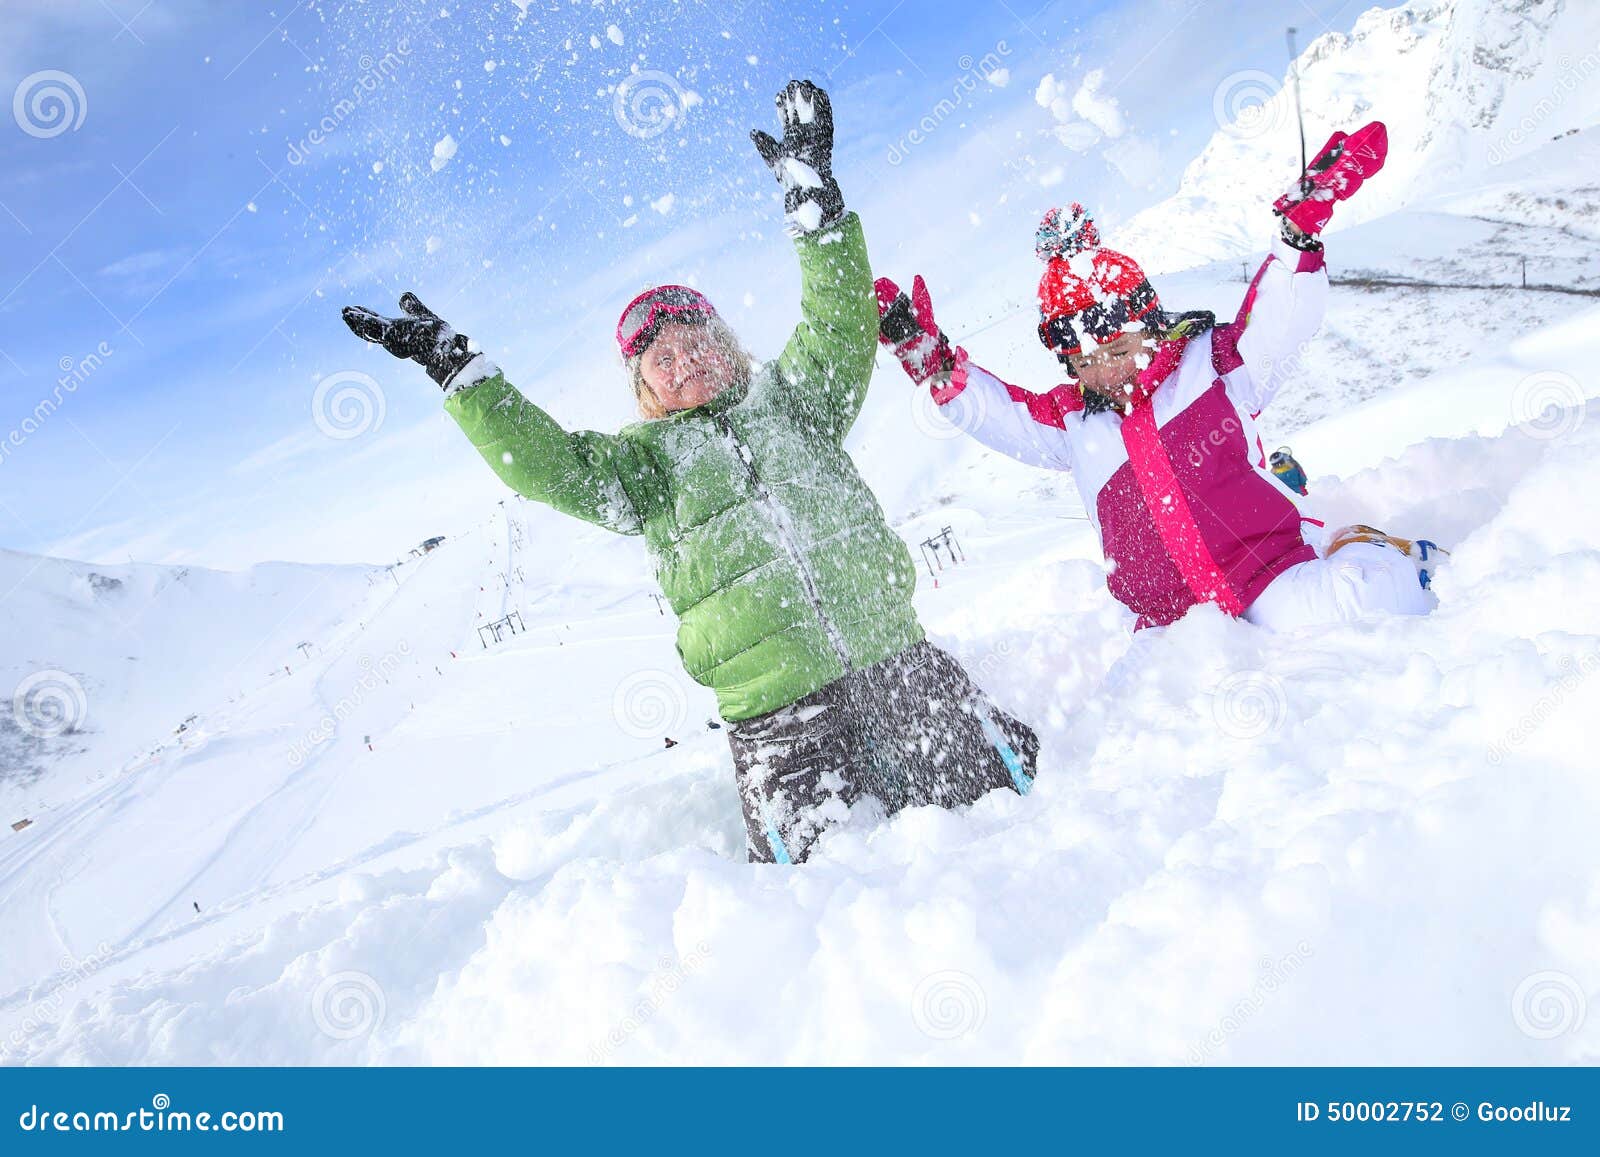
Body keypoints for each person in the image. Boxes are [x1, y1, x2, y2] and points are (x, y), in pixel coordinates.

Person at [342, 80, 1038, 864]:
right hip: (778, 715)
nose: (683, 363)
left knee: (1003, 816)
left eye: (696, 340)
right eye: (659, 360)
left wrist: (818, 216)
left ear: (728, 342)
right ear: (643, 390)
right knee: (830, 890)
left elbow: (840, 327)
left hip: (894, 661)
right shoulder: (642, 467)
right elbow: (551, 466)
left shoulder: (794, 397)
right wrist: (464, 379)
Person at [876, 123, 1439, 633]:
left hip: (1266, 577)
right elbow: (1004, 416)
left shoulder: (1212, 366)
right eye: (1084, 361)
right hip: (1172, 629)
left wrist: (1296, 237)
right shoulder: (1073, 423)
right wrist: (934, 363)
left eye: (1118, 349)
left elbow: (1278, 326)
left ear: (1150, 325)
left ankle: (1383, 555)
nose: (1106, 370)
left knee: (1361, 604)